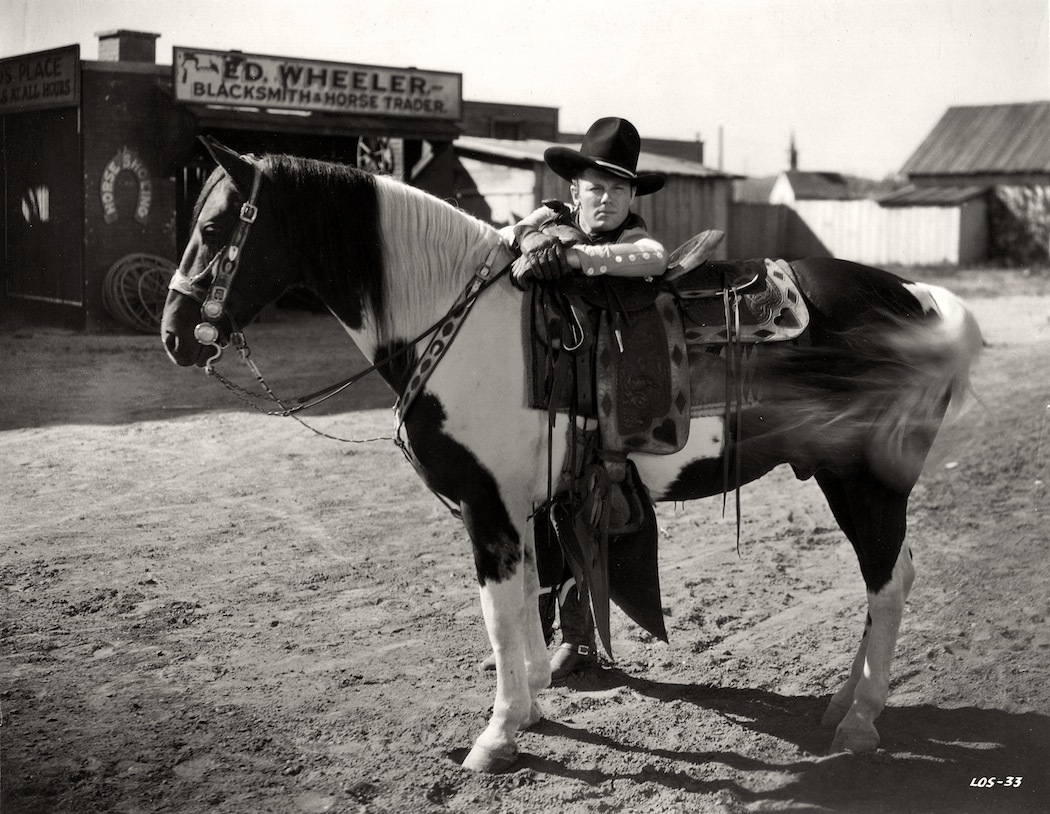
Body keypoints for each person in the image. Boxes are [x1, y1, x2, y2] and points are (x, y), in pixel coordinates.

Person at [488, 117, 669, 680]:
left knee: (583, 498)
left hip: (608, 393)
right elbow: (507, 238)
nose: (608, 199)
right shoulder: (551, 218)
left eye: (619, 188)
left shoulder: (633, 240)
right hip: (542, 390)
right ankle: (557, 632)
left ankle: (582, 637)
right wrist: (540, 236)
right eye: (597, 187)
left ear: (632, 195)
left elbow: (654, 257)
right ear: (575, 191)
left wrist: (575, 258)